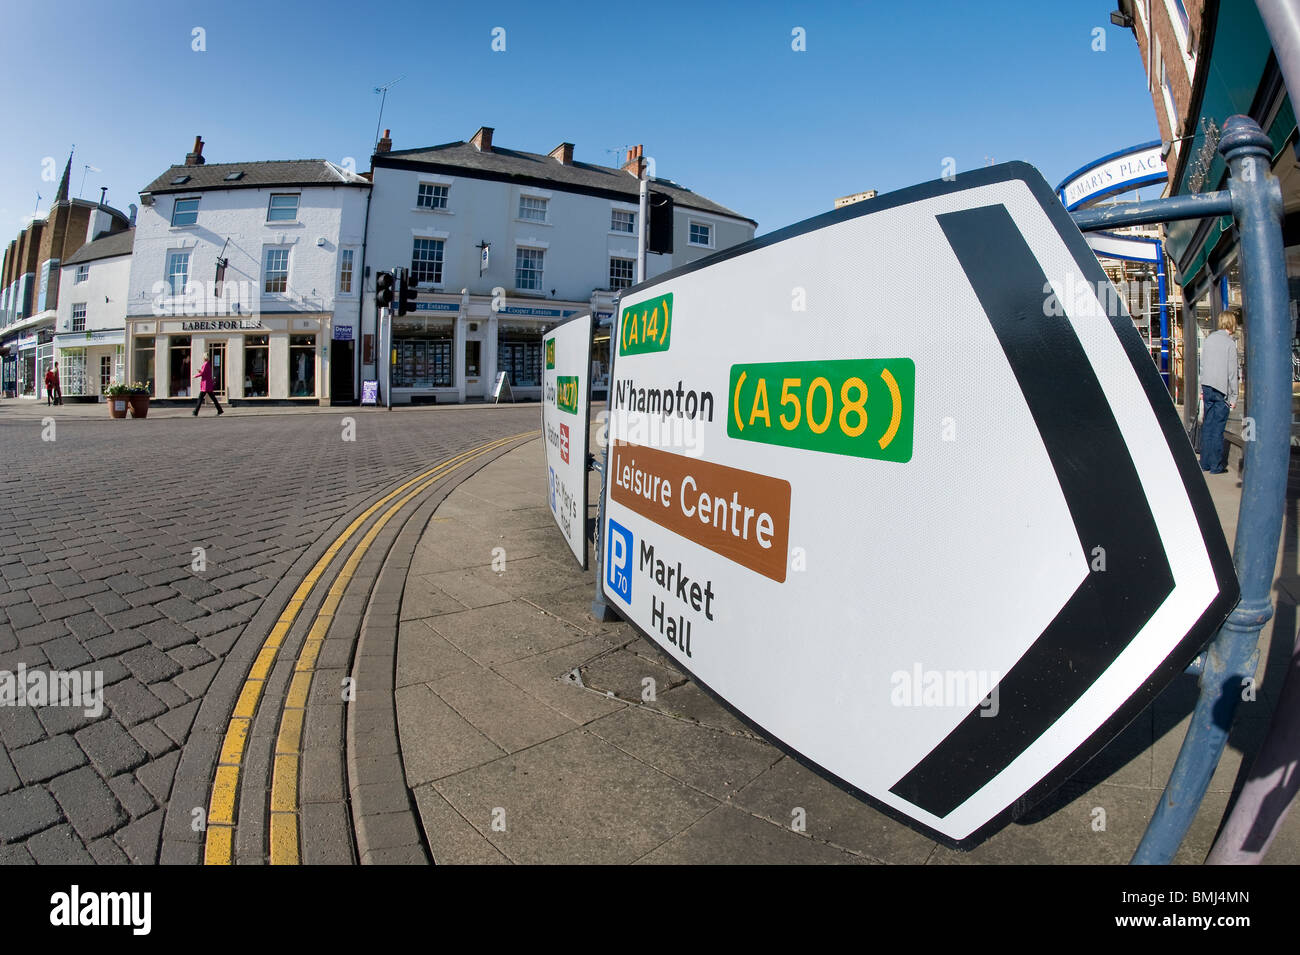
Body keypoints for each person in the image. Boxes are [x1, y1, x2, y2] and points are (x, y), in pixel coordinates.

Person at [1200, 309, 1239, 474]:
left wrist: (1201, 388)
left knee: (1208, 426)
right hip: (1221, 390)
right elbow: (1232, 373)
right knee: (1217, 429)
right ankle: (1216, 466)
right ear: (1232, 323)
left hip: (1207, 387)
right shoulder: (1229, 343)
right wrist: (1234, 397)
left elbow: (1202, 365)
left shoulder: (1208, 340)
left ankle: (1205, 463)